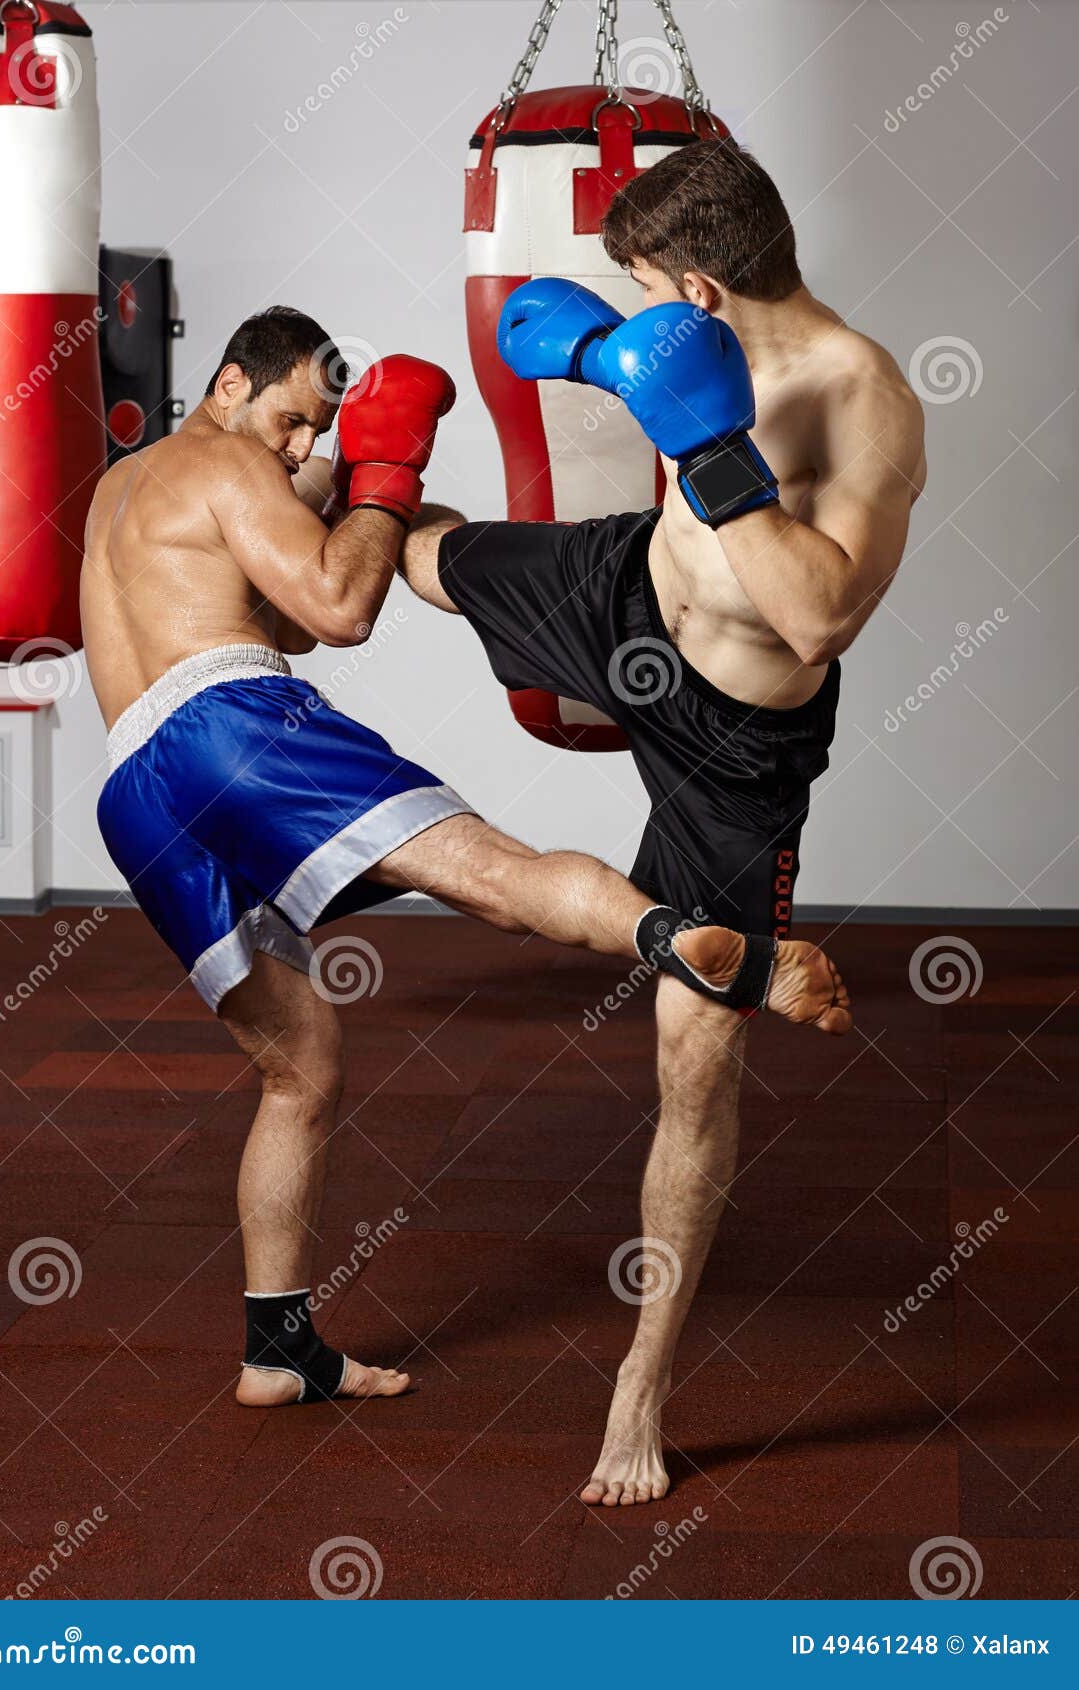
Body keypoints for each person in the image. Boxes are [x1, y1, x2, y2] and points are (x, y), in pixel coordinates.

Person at [81, 306, 850, 1442]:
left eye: (317, 434)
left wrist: (354, 498)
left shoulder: (126, 488)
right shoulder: (226, 457)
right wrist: (386, 471)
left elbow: (282, 608)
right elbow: (338, 612)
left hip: (134, 790)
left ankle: (277, 1346)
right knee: (490, 870)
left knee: (299, 1069)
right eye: (296, 418)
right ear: (233, 383)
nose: (299, 449)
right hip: (231, 725)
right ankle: (687, 941)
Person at [394, 138, 924, 1505]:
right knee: (417, 555)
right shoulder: (683, 334)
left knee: (691, 1055)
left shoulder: (859, 399)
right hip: (632, 593)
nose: (637, 319)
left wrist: (702, 433)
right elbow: (638, 367)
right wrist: (592, 358)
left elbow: (813, 614)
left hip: (732, 740)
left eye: (645, 295)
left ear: (699, 282)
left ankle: (640, 1381)